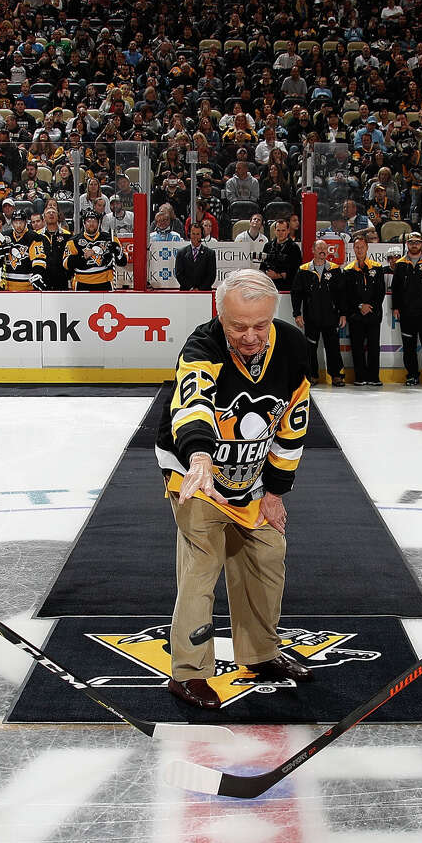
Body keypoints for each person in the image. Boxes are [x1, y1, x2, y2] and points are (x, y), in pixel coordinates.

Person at [155, 268, 313, 710]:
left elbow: (293, 425)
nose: (249, 336)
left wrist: (275, 490)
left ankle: (260, 654)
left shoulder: (295, 349)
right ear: (219, 314)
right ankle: (189, 672)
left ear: (273, 318)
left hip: (253, 477)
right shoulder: (201, 346)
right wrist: (200, 457)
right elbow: (192, 405)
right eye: (237, 326)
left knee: (266, 557)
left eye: (259, 326)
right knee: (202, 566)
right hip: (196, 474)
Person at [291, 239, 345, 386]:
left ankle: (337, 375)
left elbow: (341, 294)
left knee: (333, 347)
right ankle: (312, 375)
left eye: (325, 248)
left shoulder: (335, 269)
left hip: (331, 316)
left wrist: (343, 314)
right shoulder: (303, 270)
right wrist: (297, 313)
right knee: (310, 348)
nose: (322, 250)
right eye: (319, 247)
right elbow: (296, 293)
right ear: (313, 250)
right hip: (311, 316)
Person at [338, 232, 388, 386]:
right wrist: (359, 306)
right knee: (357, 346)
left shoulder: (377, 268)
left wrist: (369, 306)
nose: (359, 250)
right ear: (353, 249)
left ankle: (374, 376)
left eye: (362, 247)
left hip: (373, 313)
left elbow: (380, 291)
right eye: (356, 247)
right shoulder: (348, 269)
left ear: (367, 248)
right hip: (356, 315)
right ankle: (360, 376)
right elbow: (347, 294)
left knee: (374, 346)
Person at [392, 231, 422, 386]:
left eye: (417, 242)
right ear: (407, 244)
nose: (414, 245)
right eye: (411, 242)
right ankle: (412, 375)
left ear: (421, 244)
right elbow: (396, 288)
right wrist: (396, 307)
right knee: (408, 347)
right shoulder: (400, 264)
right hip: (407, 313)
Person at [65, 208, 127, 290]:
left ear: (99, 223)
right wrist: (83, 257)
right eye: (88, 221)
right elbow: (66, 264)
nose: (91, 224)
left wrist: (117, 251)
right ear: (84, 223)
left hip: (105, 282)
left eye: (94, 221)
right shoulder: (73, 241)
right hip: (82, 282)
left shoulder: (110, 238)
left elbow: (123, 262)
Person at [0, 207, 48, 291]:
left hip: (27, 287)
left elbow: (38, 259)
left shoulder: (34, 237)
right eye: (15, 222)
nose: (18, 226)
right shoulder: (4, 237)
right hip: (6, 286)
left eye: (21, 222)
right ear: (12, 223)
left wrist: (37, 274)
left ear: (26, 222)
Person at [259, 217, 301, 290]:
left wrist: (278, 275)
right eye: (278, 230)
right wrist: (265, 275)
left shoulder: (294, 248)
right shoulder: (268, 246)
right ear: (274, 231)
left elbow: (296, 270)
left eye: (283, 230)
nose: (280, 233)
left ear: (288, 231)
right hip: (269, 286)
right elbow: (262, 266)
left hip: (287, 287)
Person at [174, 221, 216, 290]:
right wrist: (191, 288)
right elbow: (179, 274)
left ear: (201, 235)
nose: (195, 236)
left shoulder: (210, 253)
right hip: (186, 292)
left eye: (198, 234)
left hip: (204, 293)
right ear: (189, 234)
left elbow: (211, 276)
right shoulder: (181, 253)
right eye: (193, 234)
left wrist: (199, 290)